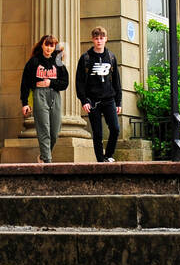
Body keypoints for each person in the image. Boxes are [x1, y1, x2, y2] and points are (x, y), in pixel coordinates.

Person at [20, 34, 70, 164]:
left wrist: (50, 83)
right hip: (39, 95)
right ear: (42, 45)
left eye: (51, 45)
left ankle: (43, 156)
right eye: (46, 45)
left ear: (54, 47)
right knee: (44, 128)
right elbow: (25, 83)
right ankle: (48, 161)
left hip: (54, 95)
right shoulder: (34, 61)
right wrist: (25, 103)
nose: (48, 48)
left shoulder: (58, 62)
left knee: (55, 131)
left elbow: (65, 83)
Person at [76, 26, 122, 163]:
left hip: (109, 100)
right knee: (97, 133)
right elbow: (79, 82)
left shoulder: (111, 57)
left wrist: (118, 102)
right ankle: (100, 161)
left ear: (106, 39)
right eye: (96, 38)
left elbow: (117, 82)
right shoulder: (86, 58)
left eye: (101, 38)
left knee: (115, 128)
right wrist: (84, 100)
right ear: (93, 40)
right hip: (92, 101)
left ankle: (108, 155)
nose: (99, 41)